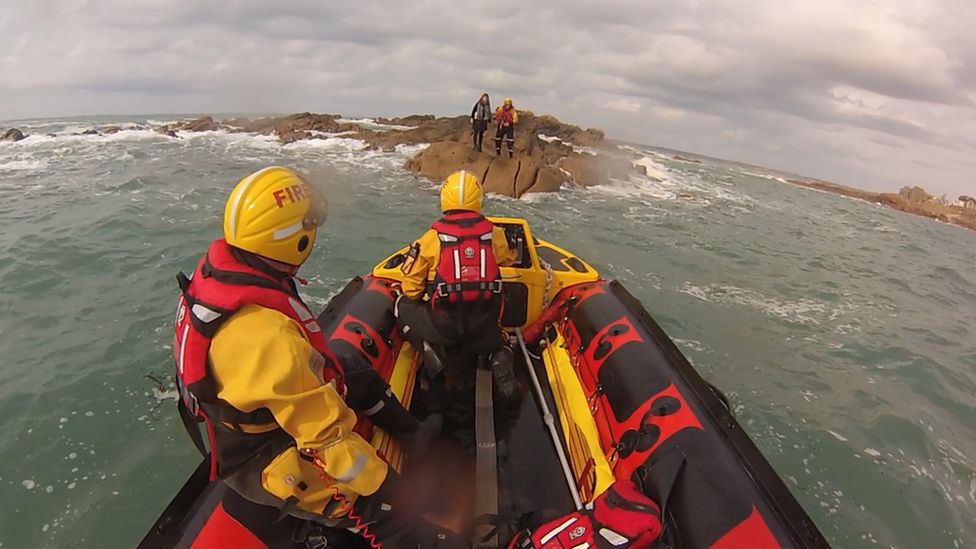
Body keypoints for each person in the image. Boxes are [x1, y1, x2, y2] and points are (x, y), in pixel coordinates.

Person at [172, 166, 455, 547]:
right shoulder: (269, 336)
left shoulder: (217, 277)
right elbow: (331, 444)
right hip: (264, 455)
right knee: (400, 523)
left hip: (250, 409)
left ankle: (415, 434)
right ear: (295, 240)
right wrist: (396, 490)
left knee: (350, 367)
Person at [394, 169, 521, 400]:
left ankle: (430, 354)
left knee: (401, 305)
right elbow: (511, 257)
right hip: (484, 329)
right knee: (500, 333)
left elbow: (411, 291)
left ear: (444, 198)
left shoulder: (430, 239)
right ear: (479, 199)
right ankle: (499, 357)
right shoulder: (495, 234)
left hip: (445, 329)